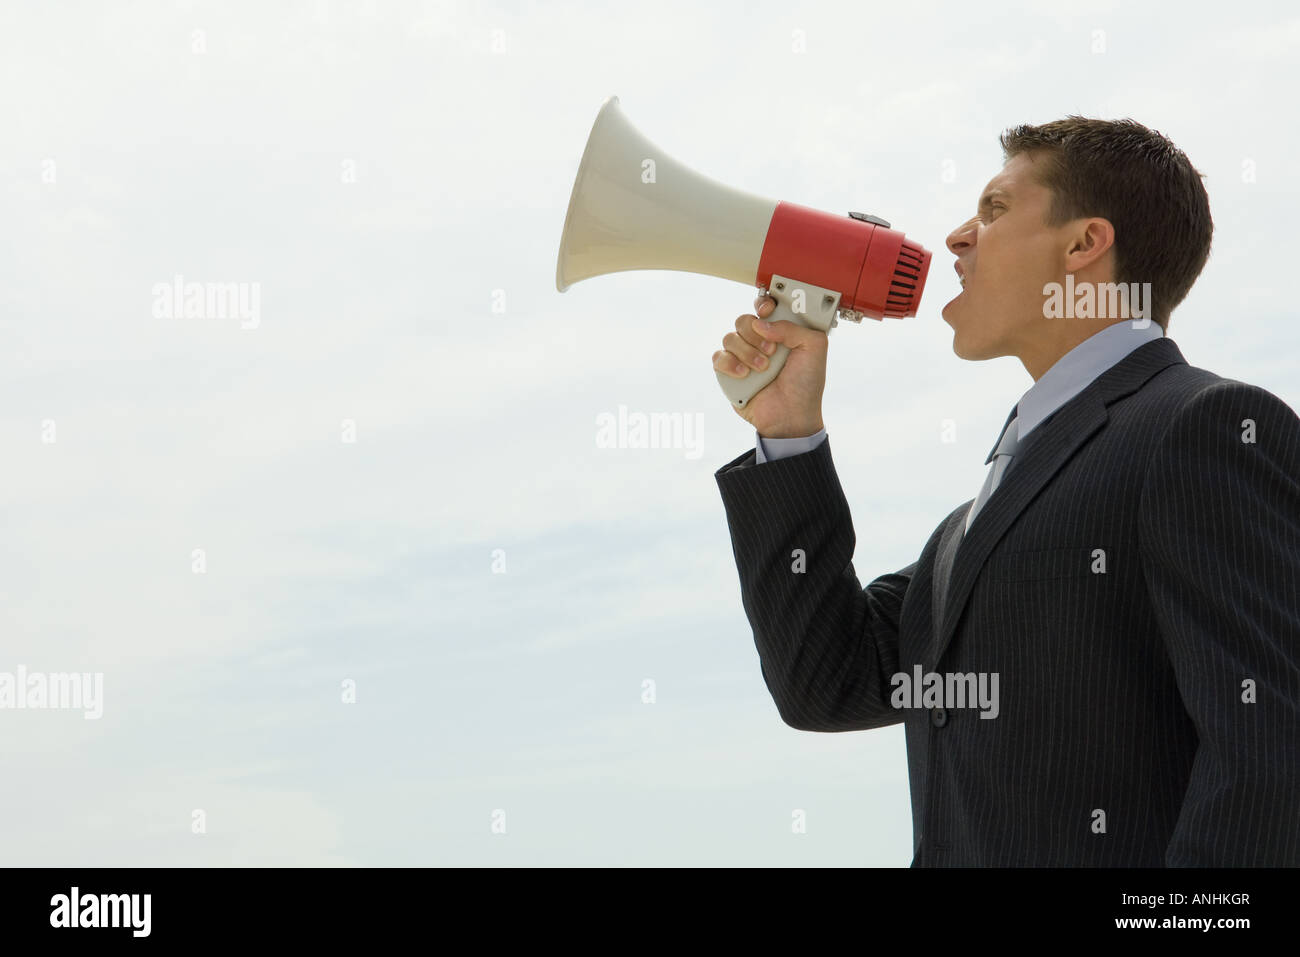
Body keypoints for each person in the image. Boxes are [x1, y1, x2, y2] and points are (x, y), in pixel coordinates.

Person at [711, 117, 1300, 866]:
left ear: (1085, 244)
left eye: (992, 210)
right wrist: (787, 429)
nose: (957, 238)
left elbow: (1274, 755)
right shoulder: (970, 528)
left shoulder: (1204, 428)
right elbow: (825, 682)